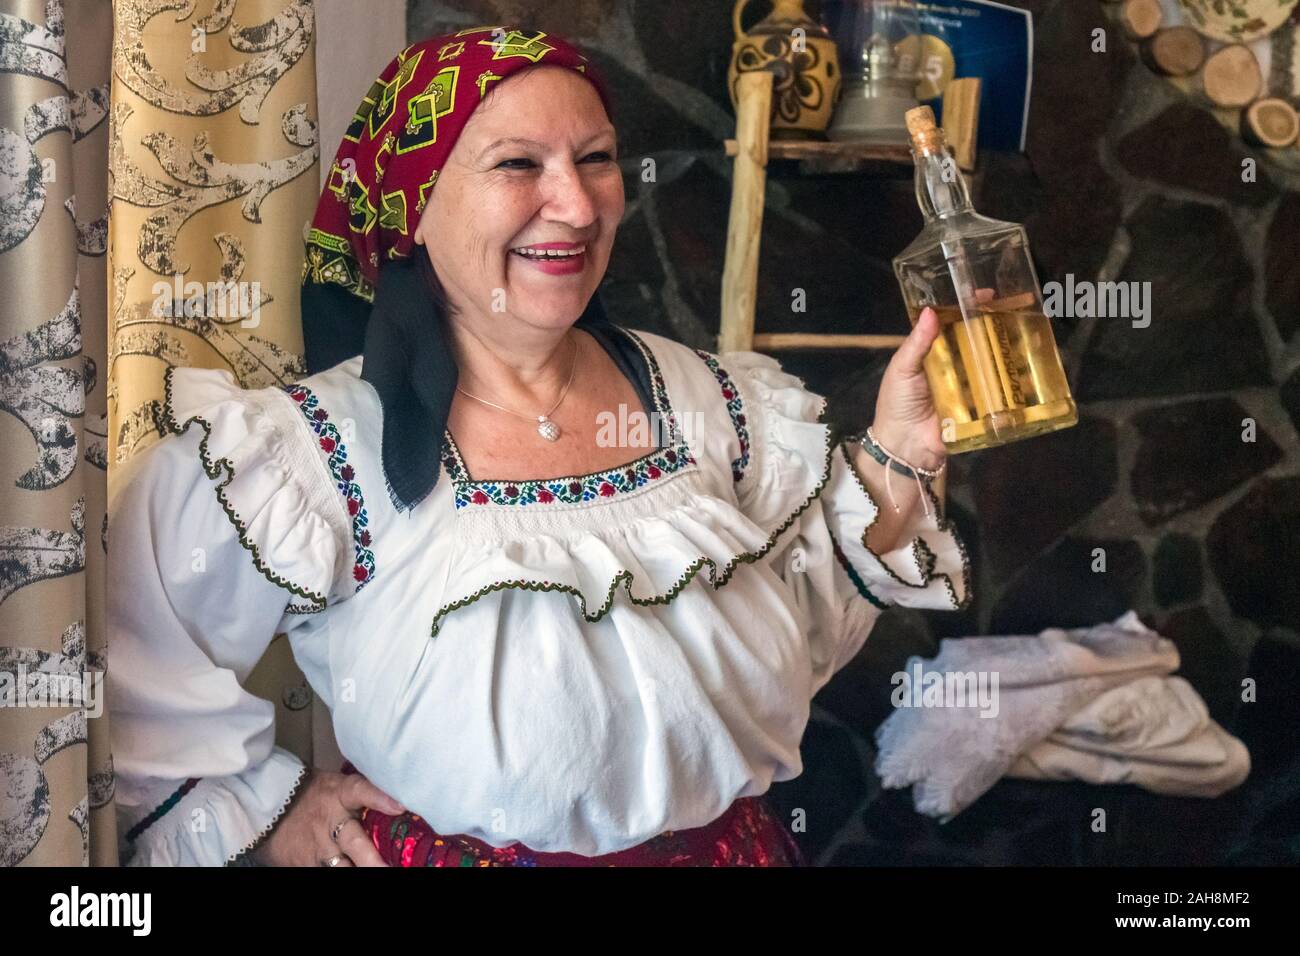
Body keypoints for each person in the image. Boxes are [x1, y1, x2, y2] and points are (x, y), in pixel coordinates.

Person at [107, 27, 970, 867]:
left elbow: (804, 622)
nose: (579, 204)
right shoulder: (317, 452)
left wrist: (897, 458)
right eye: (519, 164)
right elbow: (138, 645)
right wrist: (274, 811)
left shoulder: (705, 400)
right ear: (413, 209)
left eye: (596, 159)